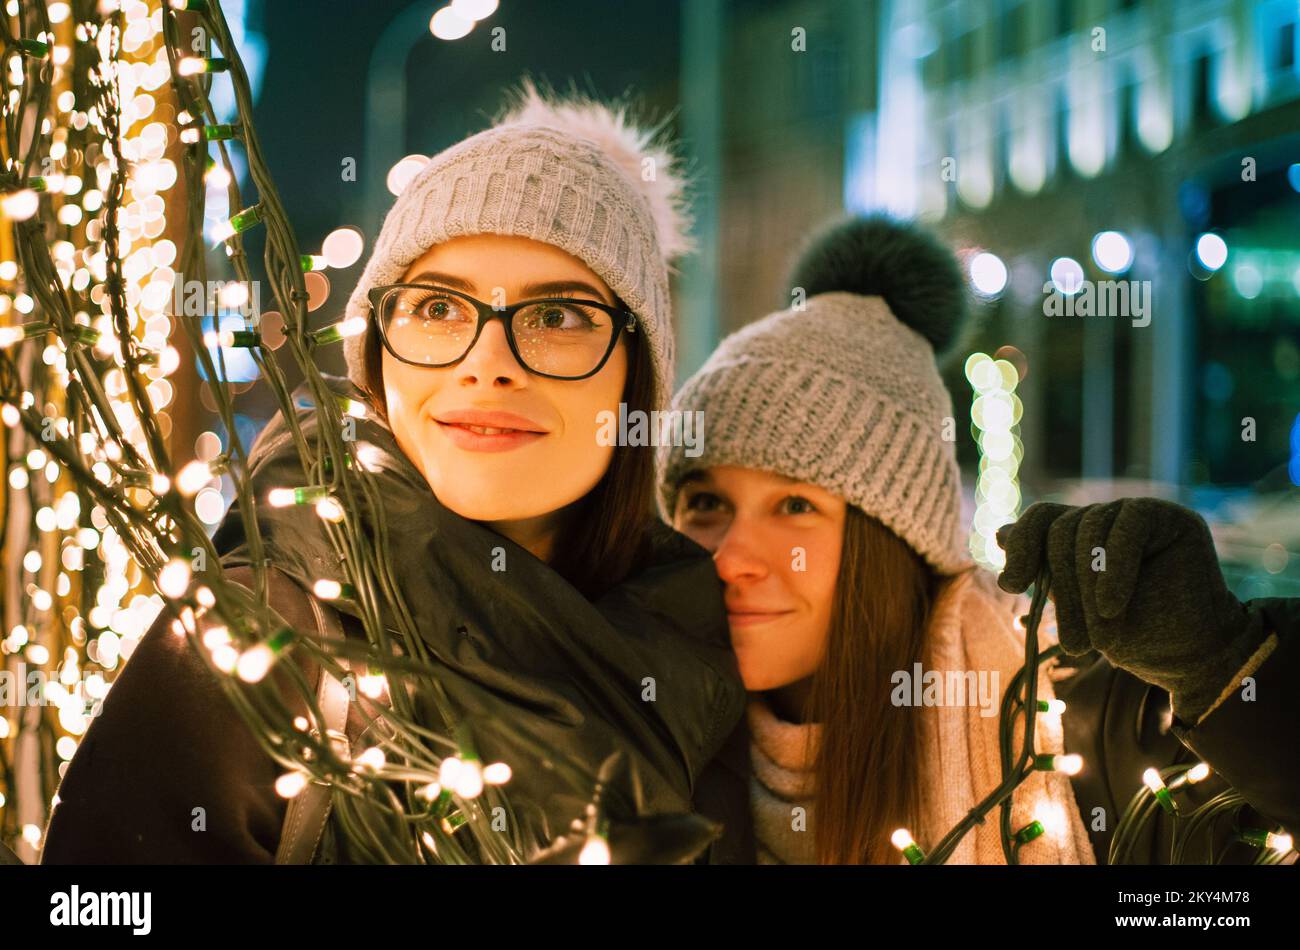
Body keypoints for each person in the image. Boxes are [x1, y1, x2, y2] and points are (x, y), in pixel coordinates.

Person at [40, 79, 745, 864]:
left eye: (556, 317)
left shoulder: (699, 659)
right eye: (439, 308)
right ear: (375, 353)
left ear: (636, 374)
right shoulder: (255, 645)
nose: (488, 364)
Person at [660, 215, 1299, 864]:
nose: (730, 558)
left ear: (897, 531)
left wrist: (1225, 665)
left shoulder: (1068, 719)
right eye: (706, 502)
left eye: (795, 503)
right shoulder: (641, 738)